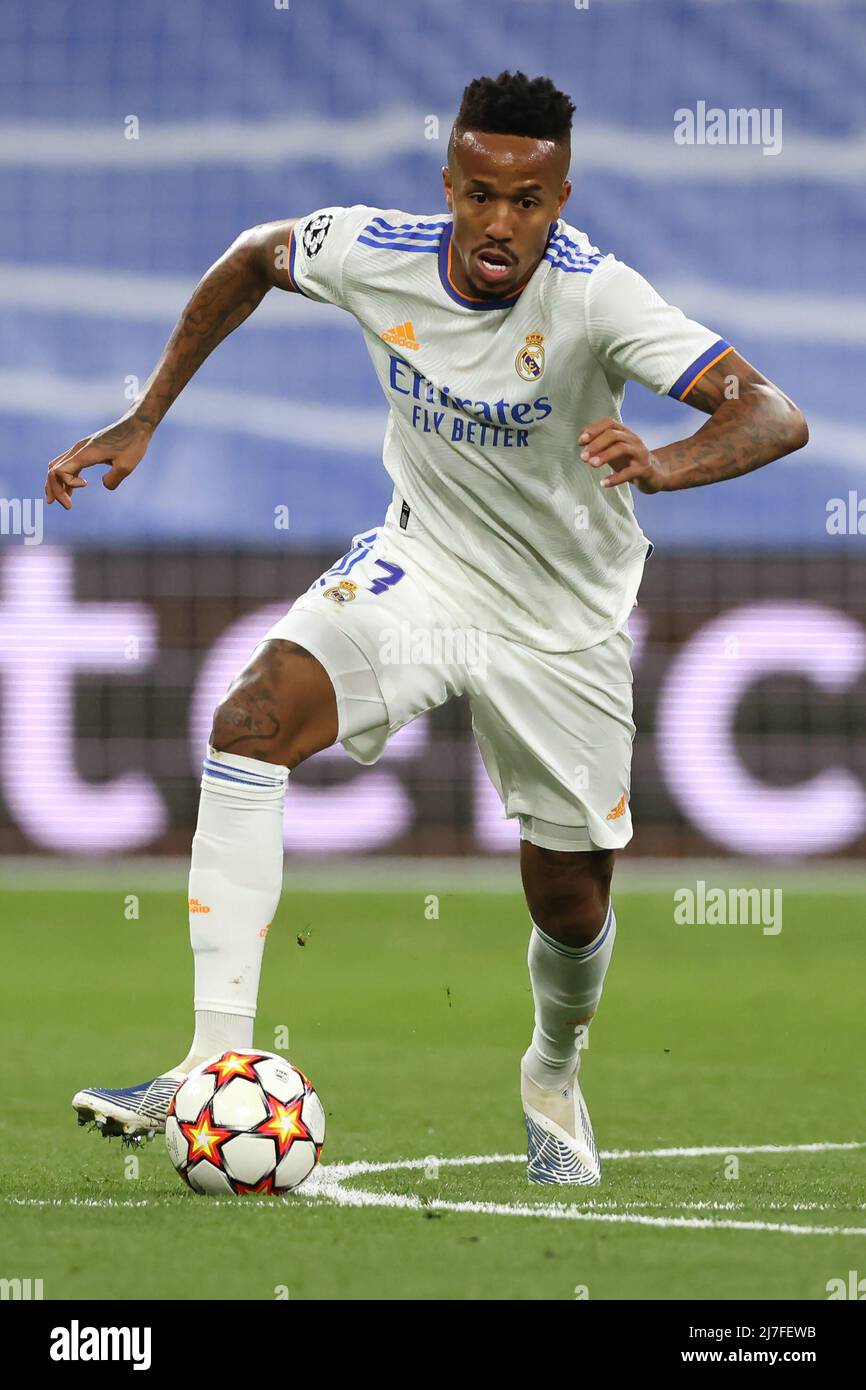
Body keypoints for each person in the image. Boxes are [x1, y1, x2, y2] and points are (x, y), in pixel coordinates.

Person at [46, 71, 808, 1185]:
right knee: (249, 721)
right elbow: (257, 255)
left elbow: (773, 413)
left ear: (559, 199)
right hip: (425, 570)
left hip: (564, 621)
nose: (502, 223)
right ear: (448, 183)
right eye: (482, 193)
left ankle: (550, 1070)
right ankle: (208, 1062)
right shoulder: (374, 251)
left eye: (530, 201)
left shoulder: (600, 299)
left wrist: (666, 460)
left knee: (567, 895)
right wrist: (145, 413)